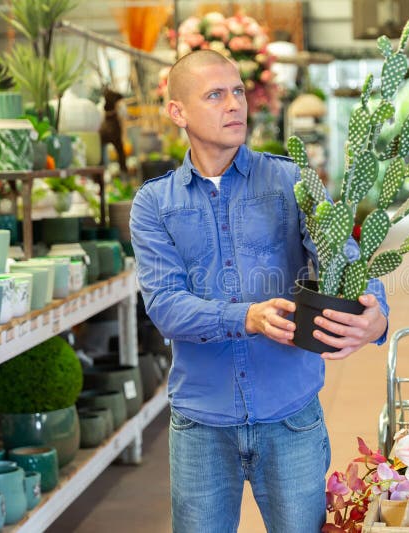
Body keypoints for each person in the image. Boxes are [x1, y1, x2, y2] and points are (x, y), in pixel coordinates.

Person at [130, 49, 389, 533]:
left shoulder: (292, 179)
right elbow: (165, 306)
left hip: (290, 417)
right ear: (178, 112)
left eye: (238, 92)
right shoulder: (153, 203)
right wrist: (245, 317)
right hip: (201, 426)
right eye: (214, 95)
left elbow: (345, 257)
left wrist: (377, 314)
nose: (234, 105)